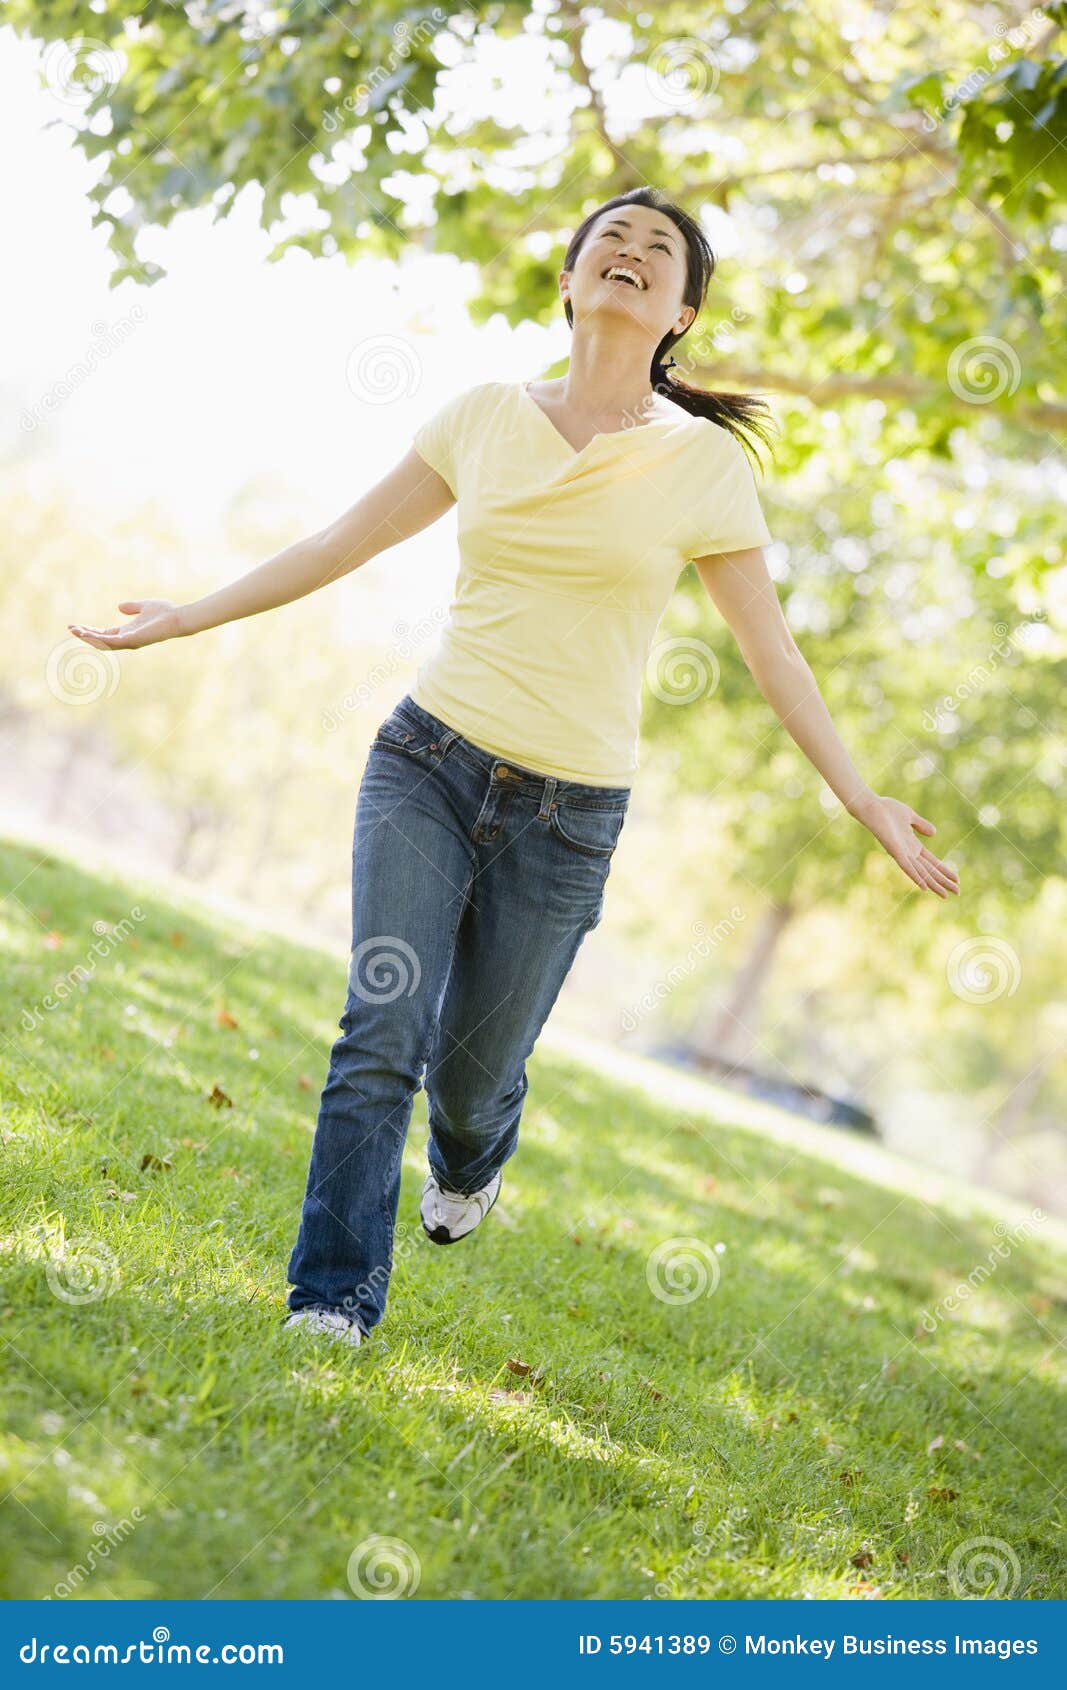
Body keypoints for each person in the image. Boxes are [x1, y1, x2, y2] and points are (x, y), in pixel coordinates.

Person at [67, 187, 960, 1350]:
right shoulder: (484, 414)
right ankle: (331, 1298)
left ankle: (472, 1154)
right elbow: (338, 542)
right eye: (610, 239)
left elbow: (770, 652)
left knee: (471, 1075)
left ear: (680, 312)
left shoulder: (698, 464)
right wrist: (188, 614)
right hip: (427, 761)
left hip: (569, 812)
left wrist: (859, 797)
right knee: (381, 1026)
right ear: (569, 280)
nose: (630, 253)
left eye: (657, 251)